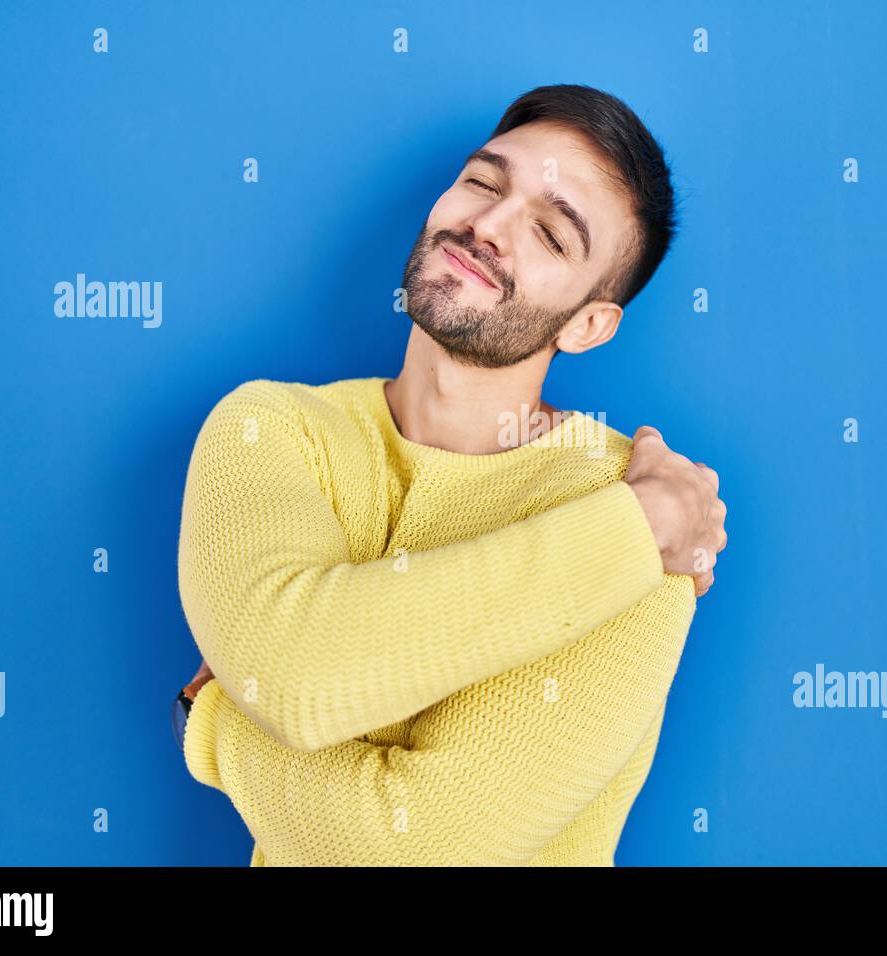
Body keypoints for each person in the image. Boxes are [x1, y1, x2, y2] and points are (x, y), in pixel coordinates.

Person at [174, 83, 728, 866]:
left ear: (589, 325)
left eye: (551, 234)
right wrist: (628, 538)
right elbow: (291, 674)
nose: (488, 227)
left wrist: (212, 726)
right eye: (483, 182)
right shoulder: (270, 428)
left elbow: (411, 846)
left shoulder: (629, 515)